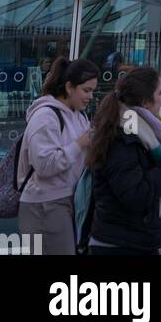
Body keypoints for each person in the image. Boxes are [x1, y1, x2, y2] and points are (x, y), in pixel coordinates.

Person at [86, 66, 161, 256]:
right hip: (119, 245)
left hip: (132, 240)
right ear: (145, 102)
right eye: (160, 93)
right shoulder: (123, 138)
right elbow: (135, 194)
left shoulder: (139, 132)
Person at [17, 56, 99, 255]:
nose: (90, 96)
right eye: (86, 90)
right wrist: (80, 143)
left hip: (65, 201)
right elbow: (45, 166)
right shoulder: (45, 116)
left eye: (93, 91)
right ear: (69, 87)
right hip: (44, 205)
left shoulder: (79, 115)